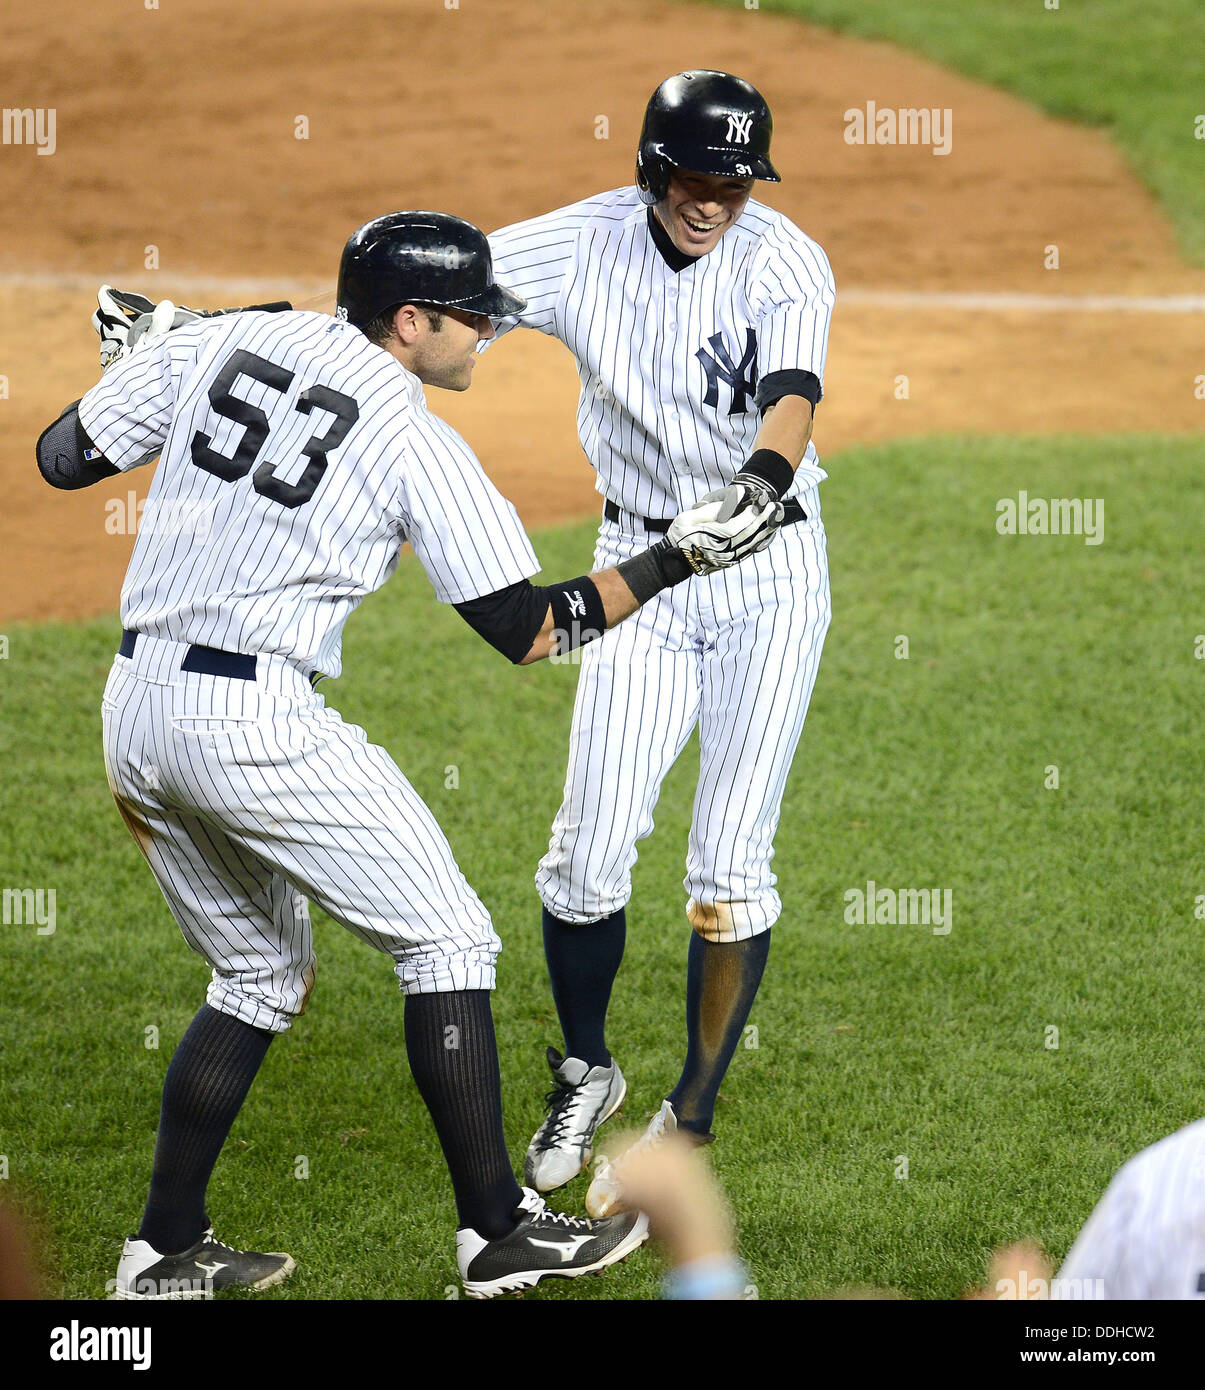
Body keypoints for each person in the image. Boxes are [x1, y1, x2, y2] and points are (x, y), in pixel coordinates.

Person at [38, 211, 781, 1300]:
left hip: (136, 710)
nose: (489, 331)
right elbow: (532, 628)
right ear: (408, 320)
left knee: (256, 972)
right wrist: (674, 557)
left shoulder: (210, 343)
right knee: (446, 941)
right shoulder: (411, 435)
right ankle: (497, 1232)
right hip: (253, 725)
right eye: (470, 317)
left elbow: (62, 457)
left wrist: (166, 358)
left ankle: (162, 1251)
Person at [482, 70, 836, 1213]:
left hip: (768, 570)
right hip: (638, 572)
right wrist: (224, 335)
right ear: (649, 166)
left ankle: (687, 1115)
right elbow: (423, 289)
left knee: (728, 870)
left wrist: (761, 484)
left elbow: (790, 392)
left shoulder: (781, 258)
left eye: (732, 184)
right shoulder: (578, 245)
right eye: (693, 178)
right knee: (585, 851)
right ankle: (586, 1068)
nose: (712, 202)